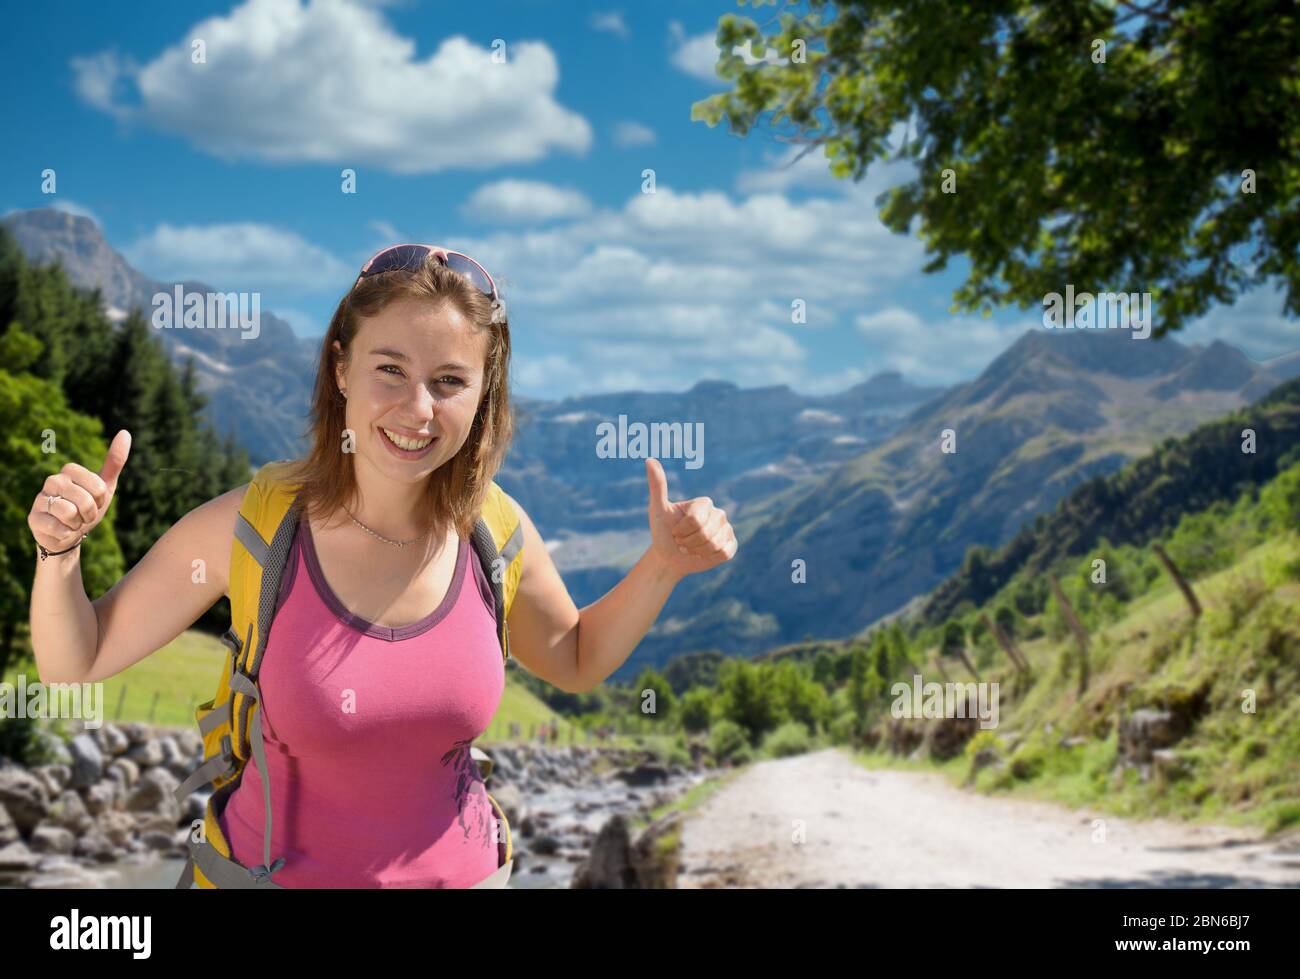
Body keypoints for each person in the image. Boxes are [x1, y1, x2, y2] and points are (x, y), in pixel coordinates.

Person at [26, 243, 738, 888]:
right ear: (341, 367)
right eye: (390, 369)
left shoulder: (496, 528)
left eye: (450, 380)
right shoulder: (256, 526)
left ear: (483, 394)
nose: (417, 408)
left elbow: (576, 657)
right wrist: (59, 553)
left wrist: (664, 565)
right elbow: (73, 660)